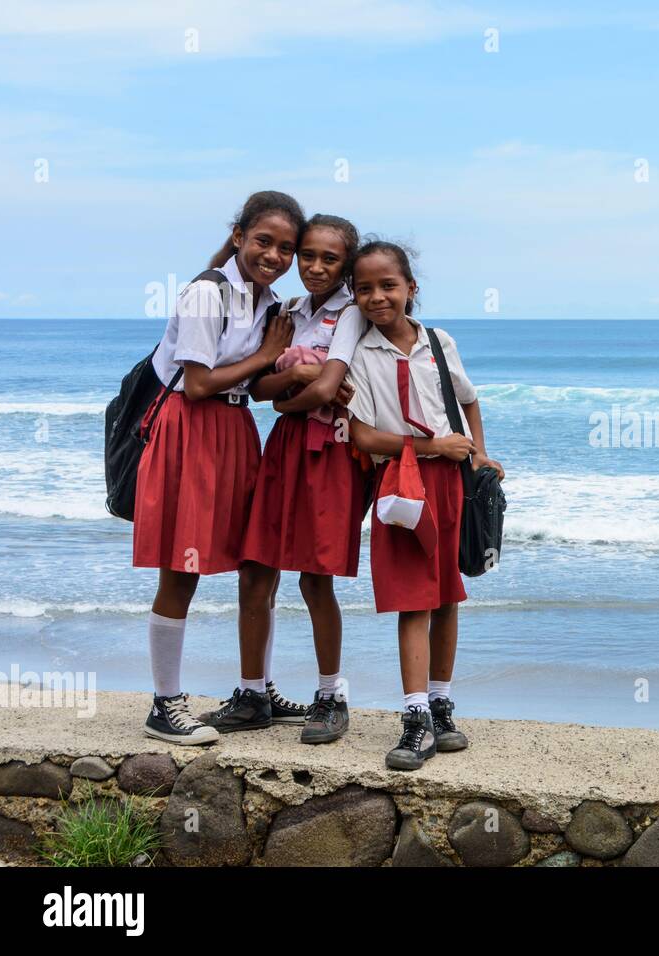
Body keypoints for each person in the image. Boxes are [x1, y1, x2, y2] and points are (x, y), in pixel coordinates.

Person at [133, 191, 303, 744]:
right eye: (263, 242)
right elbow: (202, 382)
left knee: (258, 562)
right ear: (238, 237)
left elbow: (248, 390)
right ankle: (165, 703)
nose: (274, 256)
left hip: (234, 432)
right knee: (181, 568)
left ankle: (257, 689)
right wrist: (266, 354)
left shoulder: (263, 301)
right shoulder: (207, 294)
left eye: (286, 248)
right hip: (190, 428)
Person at [200, 215, 367, 743]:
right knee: (256, 569)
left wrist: (290, 389)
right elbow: (257, 388)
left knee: (315, 577)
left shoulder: (356, 312)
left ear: (347, 264)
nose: (315, 267)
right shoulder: (287, 311)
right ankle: (253, 693)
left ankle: (331, 696)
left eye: (329, 259)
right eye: (308, 255)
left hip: (331, 451)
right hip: (284, 447)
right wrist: (294, 377)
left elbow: (326, 393)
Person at [343, 240, 504, 770]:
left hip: (451, 482)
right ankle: (414, 719)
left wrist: (478, 455)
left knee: (447, 596)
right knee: (413, 597)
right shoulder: (360, 355)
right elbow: (364, 436)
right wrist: (432, 446)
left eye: (388, 285)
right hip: (401, 486)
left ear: (411, 288)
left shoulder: (438, 341)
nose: (377, 296)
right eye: (364, 288)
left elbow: (468, 399)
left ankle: (440, 703)